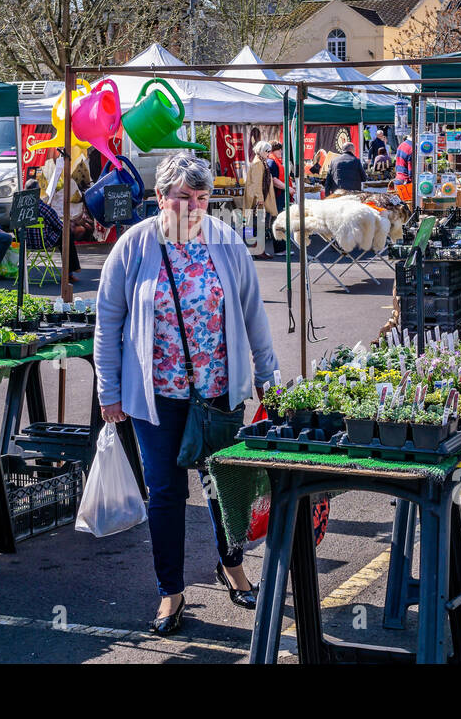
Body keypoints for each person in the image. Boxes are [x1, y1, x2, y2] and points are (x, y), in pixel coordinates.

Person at [95, 153, 278, 635]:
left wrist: (268, 374)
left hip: (219, 393)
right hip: (156, 398)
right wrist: (108, 390)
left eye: (203, 198)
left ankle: (232, 565)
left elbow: (253, 313)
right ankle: (170, 592)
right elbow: (107, 322)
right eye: (184, 197)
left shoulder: (226, 243)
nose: (195, 207)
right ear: (159, 198)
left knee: (224, 486)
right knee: (166, 494)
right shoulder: (133, 246)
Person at [33, 147, 81, 282]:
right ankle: (70, 272)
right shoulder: (44, 208)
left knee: (64, 235)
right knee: (66, 235)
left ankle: (71, 271)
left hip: (25, 241)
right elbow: (58, 225)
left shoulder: (19, 207)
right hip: (43, 241)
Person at [244, 140, 280, 258]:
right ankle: (258, 251)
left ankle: (258, 250)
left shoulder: (261, 162)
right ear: (260, 151)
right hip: (257, 199)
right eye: (267, 151)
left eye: (269, 151)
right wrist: (260, 199)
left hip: (260, 197)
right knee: (258, 225)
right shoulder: (258, 163)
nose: (269, 153)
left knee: (259, 225)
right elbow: (256, 183)